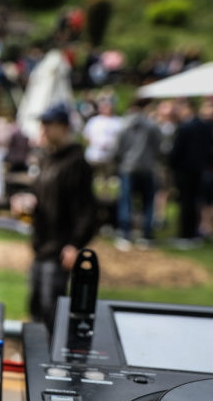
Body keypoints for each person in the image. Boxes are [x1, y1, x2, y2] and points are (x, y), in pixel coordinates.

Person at [11, 103, 97, 332]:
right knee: (36, 304)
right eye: (43, 124)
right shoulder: (48, 158)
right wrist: (26, 203)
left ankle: (51, 358)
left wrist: (75, 245)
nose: (44, 129)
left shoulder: (77, 162)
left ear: (65, 127)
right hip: (41, 244)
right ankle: (34, 354)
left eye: (50, 124)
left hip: (60, 248)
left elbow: (87, 210)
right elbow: (41, 196)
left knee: (52, 309)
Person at [113, 98, 162, 244]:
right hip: (147, 168)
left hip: (127, 168)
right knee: (148, 201)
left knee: (126, 201)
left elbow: (118, 149)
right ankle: (146, 234)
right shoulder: (152, 126)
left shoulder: (123, 126)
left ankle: (125, 234)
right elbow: (158, 147)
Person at [169, 98, 212, 241]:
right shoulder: (204, 126)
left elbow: (176, 151)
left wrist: (171, 165)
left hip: (184, 170)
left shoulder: (185, 127)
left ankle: (186, 234)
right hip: (200, 169)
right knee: (194, 201)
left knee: (186, 202)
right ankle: (193, 232)